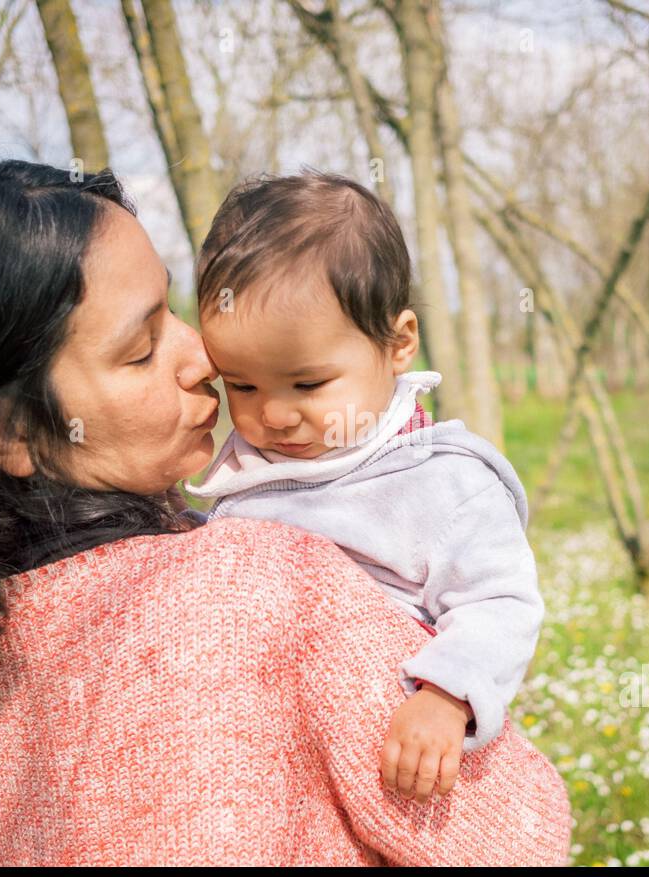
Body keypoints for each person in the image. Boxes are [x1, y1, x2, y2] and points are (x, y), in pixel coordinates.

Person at [0, 158, 572, 866]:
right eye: (140, 350)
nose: (204, 358)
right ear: (5, 430)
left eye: (174, 311)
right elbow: (516, 837)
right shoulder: (256, 577)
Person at [185, 172, 544, 802]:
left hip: (390, 761)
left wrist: (446, 695)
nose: (272, 415)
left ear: (398, 342)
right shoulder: (249, 471)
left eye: (308, 384)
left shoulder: (439, 480)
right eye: (241, 385)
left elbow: (501, 604)